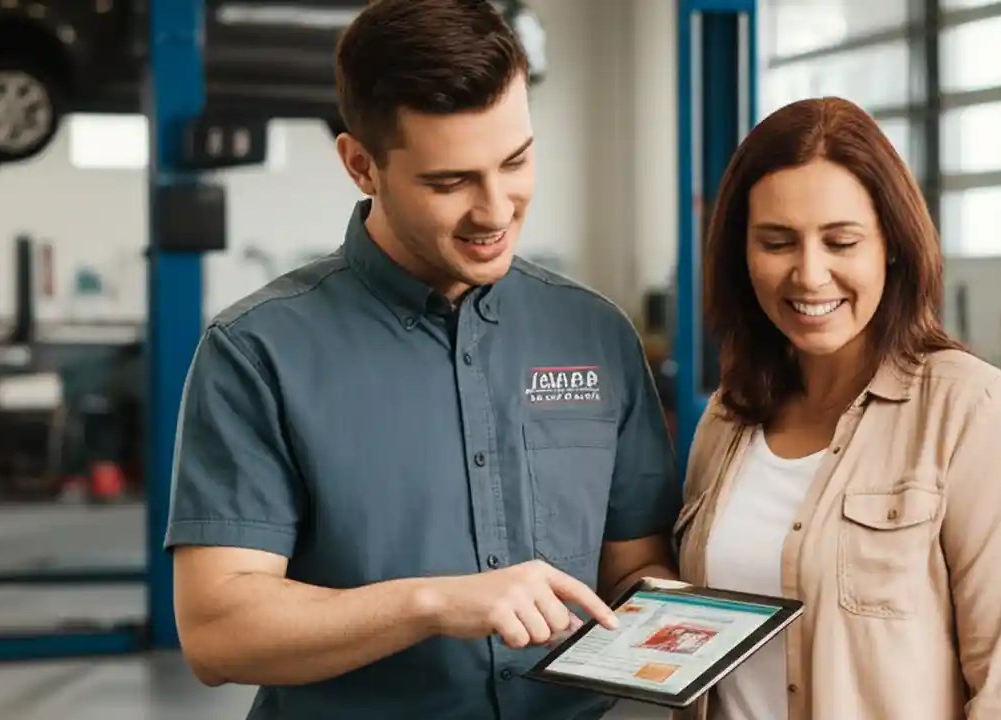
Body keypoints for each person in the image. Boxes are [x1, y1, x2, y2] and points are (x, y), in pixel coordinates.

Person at [163, 1, 681, 719]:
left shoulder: (594, 334)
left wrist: (679, 615)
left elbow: (633, 566)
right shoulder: (257, 353)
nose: (496, 209)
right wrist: (434, 603)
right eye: (450, 183)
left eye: (517, 161)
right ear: (360, 165)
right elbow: (219, 634)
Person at [673, 97, 1001, 720]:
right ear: (741, 255)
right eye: (777, 242)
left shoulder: (973, 414)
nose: (809, 274)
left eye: (841, 241)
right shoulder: (728, 417)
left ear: (892, 245)